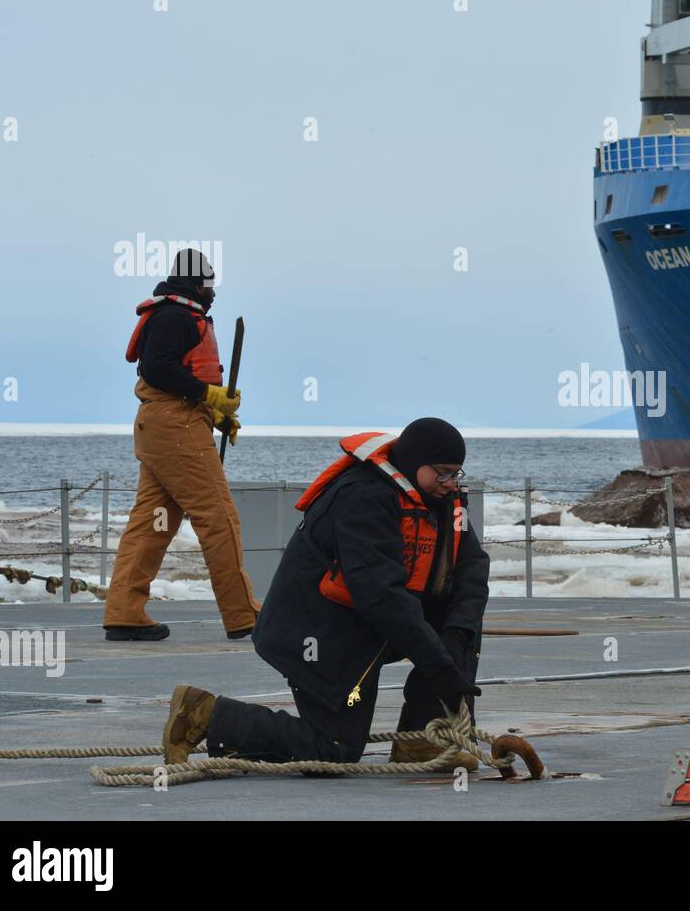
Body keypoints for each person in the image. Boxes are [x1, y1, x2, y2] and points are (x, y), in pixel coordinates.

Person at [161, 418, 491, 771]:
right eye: (441, 473)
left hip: (367, 627)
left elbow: (471, 569)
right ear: (414, 462)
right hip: (316, 632)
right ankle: (205, 714)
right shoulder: (363, 496)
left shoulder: (443, 502)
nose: (449, 483)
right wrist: (438, 665)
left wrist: (455, 640)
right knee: (334, 748)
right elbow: (379, 594)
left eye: (455, 474)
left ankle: (424, 739)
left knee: (461, 624)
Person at [102, 249, 259, 642]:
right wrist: (209, 394)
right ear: (195, 283)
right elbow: (158, 368)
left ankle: (124, 612)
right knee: (218, 517)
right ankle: (243, 615)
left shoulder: (173, 313)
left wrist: (217, 412)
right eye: (209, 283)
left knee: (152, 523)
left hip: (163, 425)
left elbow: (171, 373)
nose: (213, 291)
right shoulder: (175, 316)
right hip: (177, 426)